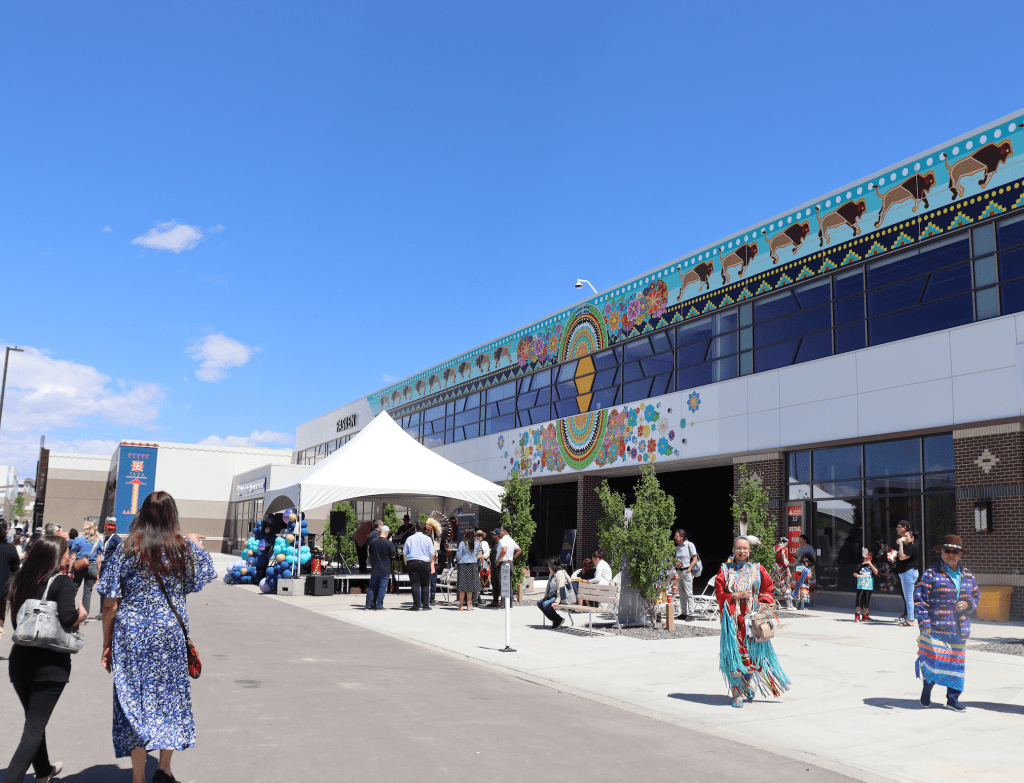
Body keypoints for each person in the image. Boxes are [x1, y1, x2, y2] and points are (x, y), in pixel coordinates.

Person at [96, 491, 217, 783]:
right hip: (168, 635)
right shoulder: (183, 548)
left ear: (143, 514)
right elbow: (202, 573)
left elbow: (110, 603)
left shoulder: (127, 548)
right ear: (171, 516)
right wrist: (193, 541)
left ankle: (138, 776)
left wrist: (106, 643)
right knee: (169, 698)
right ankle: (163, 769)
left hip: (131, 636)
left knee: (132, 701)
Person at [4, 534, 85, 783]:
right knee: (34, 726)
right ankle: (12, 779)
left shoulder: (19, 579)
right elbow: (68, 618)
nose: (69, 556)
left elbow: (19, 621)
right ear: (55, 556)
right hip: (50, 666)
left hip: (20, 661)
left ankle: (43, 771)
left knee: (34, 721)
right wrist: (82, 614)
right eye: (65, 552)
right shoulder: (62, 582)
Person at [715, 536, 790, 708]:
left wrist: (765, 604)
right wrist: (734, 595)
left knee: (753, 656)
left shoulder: (758, 569)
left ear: (749, 550)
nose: (742, 551)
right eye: (739, 548)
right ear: (733, 550)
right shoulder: (725, 569)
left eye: (745, 548)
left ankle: (746, 682)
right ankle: (737, 692)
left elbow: (767, 589)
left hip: (752, 620)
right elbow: (719, 592)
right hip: (733, 620)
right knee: (733, 655)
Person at [914, 535, 980, 712]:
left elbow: (976, 596)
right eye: (948, 551)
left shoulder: (967, 574)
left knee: (956, 665)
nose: (951, 554)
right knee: (935, 662)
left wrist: (967, 604)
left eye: (955, 552)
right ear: (942, 552)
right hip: (936, 627)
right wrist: (924, 624)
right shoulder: (931, 573)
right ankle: (927, 690)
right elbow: (920, 600)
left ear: (960, 555)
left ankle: (952, 699)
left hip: (959, 628)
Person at [69, 520, 102, 623]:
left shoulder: (78, 540)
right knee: (87, 593)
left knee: (73, 590)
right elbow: (99, 560)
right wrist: (97, 573)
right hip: (92, 567)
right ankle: (83, 617)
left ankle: (68, 611)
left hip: (79, 566)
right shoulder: (98, 541)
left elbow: (72, 557)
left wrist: (70, 570)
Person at [402, 522, 434, 611]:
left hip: (412, 562)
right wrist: (429, 563)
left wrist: (406, 563)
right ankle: (426, 605)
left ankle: (416, 606)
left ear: (415, 528)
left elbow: (404, 553)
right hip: (424, 562)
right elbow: (432, 553)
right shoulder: (428, 539)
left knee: (415, 584)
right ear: (423, 529)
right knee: (425, 585)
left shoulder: (410, 538)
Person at [365, 523, 395, 611]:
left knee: (372, 587)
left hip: (375, 567)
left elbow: (370, 553)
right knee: (382, 587)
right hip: (385, 568)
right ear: (386, 533)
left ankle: (368, 605)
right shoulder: (389, 543)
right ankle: (379, 605)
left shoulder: (373, 541)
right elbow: (393, 555)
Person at [894, 523, 919, 627]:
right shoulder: (909, 546)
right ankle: (910, 618)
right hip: (908, 572)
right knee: (908, 596)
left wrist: (900, 544)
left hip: (909, 572)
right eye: (904, 536)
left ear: (912, 538)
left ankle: (910, 620)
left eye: (906, 536)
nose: (904, 538)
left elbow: (902, 557)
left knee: (909, 597)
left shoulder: (912, 547)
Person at [1, 521, 22, 641]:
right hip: (3, 590)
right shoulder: (10, 549)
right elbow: (16, 569)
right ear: (5, 532)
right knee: (0, 616)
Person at [537, 556, 571, 629]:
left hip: (559, 597)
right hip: (552, 596)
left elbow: (560, 588)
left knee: (545, 604)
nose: (548, 567)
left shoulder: (560, 573)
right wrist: (545, 597)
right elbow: (548, 586)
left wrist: (557, 601)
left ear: (553, 566)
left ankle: (558, 619)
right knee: (539, 603)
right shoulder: (552, 573)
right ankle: (556, 619)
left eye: (549, 565)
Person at [672, 529, 699, 621]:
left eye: (676, 536)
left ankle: (691, 614)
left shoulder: (689, 545)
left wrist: (689, 569)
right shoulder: (678, 547)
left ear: (682, 537)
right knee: (682, 593)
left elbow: (695, 558)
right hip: (679, 572)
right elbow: (675, 559)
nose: (675, 538)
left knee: (689, 593)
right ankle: (684, 613)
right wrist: (676, 564)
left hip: (686, 572)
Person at [455, 529, 482, 610]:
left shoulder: (462, 543)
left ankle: (461, 606)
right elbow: (477, 554)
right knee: (470, 587)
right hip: (473, 565)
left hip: (463, 565)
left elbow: (458, 555)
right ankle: (469, 606)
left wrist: (459, 560)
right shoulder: (477, 544)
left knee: (462, 586)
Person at [495, 524, 521, 607]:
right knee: (509, 584)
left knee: (503, 584)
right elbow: (519, 550)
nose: (500, 531)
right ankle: (509, 603)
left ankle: (504, 604)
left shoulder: (503, 540)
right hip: (510, 563)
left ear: (504, 532)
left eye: (501, 530)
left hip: (504, 563)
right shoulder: (511, 540)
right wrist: (512, 557)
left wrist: (498, 560)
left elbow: (504, 549)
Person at [854, 552, 878, 622]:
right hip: (861, 586)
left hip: (869, 586)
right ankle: (857, 615)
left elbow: (876, 572)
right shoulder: (860, 565)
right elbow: (854, 573)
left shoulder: (873, 565)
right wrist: (856, 575)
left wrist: (870, 564)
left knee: (867, 601)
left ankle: (865, 615)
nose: (866, 560)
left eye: (868, 558)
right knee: (859, 600)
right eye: (865, 558)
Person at [772, 537, 795, 610]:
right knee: (786, 585)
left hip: (775, 568)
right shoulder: (784, 549)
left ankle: (776, 604)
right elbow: (785, 560)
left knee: (776, 585)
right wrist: (788, 570)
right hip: (782, 569)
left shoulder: (774, 548)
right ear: (786, 542)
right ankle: (789, 605)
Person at [474, 530, 490, 607]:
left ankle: (478, 597)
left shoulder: (485, 543)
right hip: (476, 563)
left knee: (481, 580)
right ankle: (477, 598)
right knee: (476, 581)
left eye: (481, 535)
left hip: (483, 562)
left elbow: (487, 552)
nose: (480, 537)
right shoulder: (474, 543)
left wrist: (483, 557)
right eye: (478, 535)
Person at [486, 529, 502, 607]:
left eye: (494, 534)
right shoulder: (493, 543)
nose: (492, 535)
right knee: (494, 584)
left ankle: (502, 601)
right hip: (493, 566)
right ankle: (495, 600)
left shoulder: (501, 543)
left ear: (498, 536)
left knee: (500, 584)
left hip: (499, 567)